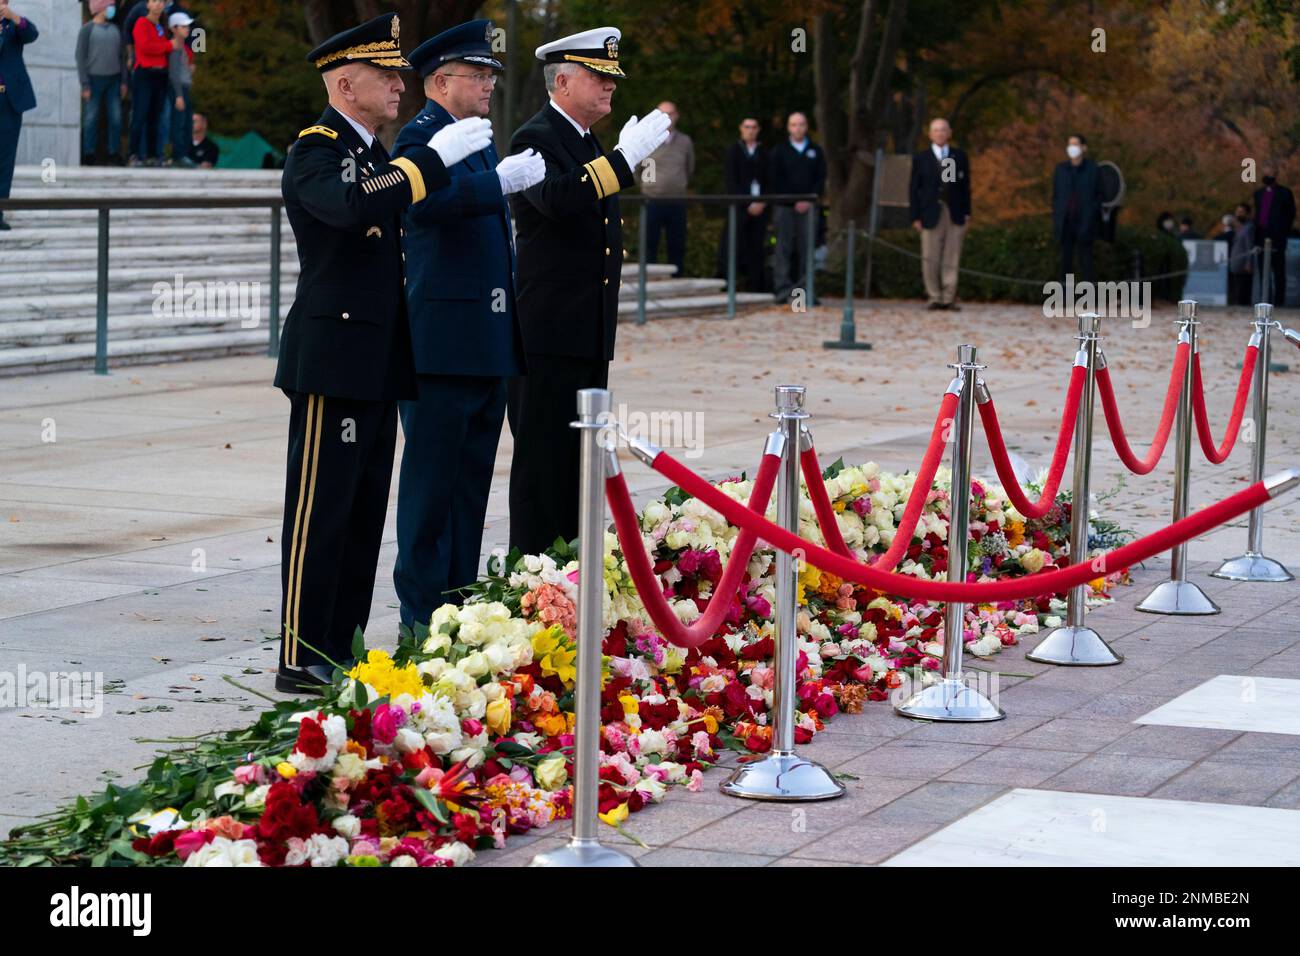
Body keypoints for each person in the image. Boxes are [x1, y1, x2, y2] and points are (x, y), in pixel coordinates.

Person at [273, 12, 492, 693]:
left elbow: (390, 198)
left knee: (363, 512)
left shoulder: (371, 153)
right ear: (345, 82)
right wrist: (429, 160)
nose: (399, 85)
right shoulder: (317, 149)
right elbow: (348, 206)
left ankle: (339, 645)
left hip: (375, 356)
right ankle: (299, 654)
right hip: (331, 354)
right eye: (383, 74)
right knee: (321, 511)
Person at [390, 19, 544, 632]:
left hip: (483, 343)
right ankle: (420, 615)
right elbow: (421, 204)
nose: (488, 84)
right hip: (441, 343)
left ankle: (454, 608)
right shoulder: (421, 133)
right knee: (431, 489)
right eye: (478, 75)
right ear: (440, 81)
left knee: (469, 487)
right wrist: (494, 183)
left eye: (490, 75)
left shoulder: (472, 133)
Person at [506, 27, 669, 555]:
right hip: (548, 330)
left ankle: (571, 574)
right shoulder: (535, 136)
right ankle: (532, 575)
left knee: (577, 467)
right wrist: (623, 161)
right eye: (598, 77)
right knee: (543, 466)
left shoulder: (582, 139)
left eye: (611, 79)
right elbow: (556, 199)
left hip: (584, 330)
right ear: (562, 80)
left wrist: (614, 157)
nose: (609, 88)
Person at [908, 116, 971, 311]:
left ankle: (948, 296)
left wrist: (967, 212)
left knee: (951, 255)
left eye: (943, 129)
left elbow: (964, 186)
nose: (940, 133)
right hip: (929, 212)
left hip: (954, 211)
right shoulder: (921, 158)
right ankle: (934, 295)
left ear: (949, 133)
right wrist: (915, 215)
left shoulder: (958, 157)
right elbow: (913, 189)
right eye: (936, 130)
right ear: (930, 134)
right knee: (930, 255)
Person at [768, 111, 826, 304]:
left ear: (806, 126)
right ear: (788, 127)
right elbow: (775, 178)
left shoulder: (815, 151)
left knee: (807, 249)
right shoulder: (779, 151)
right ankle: (784, 290)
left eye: (801, 124)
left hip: (809, 208)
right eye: (793, 125)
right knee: (783, 248)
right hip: (785, 207)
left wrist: (808, 200)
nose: (797, 128)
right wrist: (793, 200)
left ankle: (803, 293)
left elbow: (820, 178)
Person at [638, 100, 693, 276]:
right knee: (649, 244)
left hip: (677, 201)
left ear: (676, 116)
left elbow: (689, 167)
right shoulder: (647, 140)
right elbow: (638, 168)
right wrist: (650, 185)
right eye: (663, 113)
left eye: (670, 113)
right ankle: (648, 285)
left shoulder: (685, 141)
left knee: (677, 245)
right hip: (651, 200)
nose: (667, 118)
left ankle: (676, 283)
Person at [719, 116, 768, 292]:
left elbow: (769, 180)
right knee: (733, 246)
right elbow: (730, 181)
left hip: (760, 208)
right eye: (747, 126)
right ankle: (728, 285)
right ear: (741, 128)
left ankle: (756, 286)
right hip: (739, 208)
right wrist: (746, 203)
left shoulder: (763, 153)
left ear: (758, 129)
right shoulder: (734, 151)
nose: (750, 130)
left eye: (754, 127)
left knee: (756, 248)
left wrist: (762, 202)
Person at [0, 0, 36, 232]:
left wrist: (13, 17)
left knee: (5, 157)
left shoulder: (14, 26)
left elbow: (32, 33)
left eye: (5, 0)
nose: (2, 4)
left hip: (8, 101)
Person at [128, 0, 178, 166]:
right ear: (148, 5)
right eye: (154, 1)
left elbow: (175, 46)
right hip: (145, 73)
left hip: (160, 74)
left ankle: (152, 155)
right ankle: (133, 154)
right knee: (140, 115)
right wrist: (168, 46)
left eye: (161, 2)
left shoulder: (162, 26)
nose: (158, 4)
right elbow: (145, 47)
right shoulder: (141, 23)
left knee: (155, 117)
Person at [77, 0, 127, 166]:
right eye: (108, 6)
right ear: (99, 8)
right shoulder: (87, 30)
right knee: (91, 118)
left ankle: (114, 153)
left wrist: (123, 81)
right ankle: (88, 153)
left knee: (116, 118)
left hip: (114, 80)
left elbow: (122, 57)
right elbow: (81, 57)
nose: (111, 9)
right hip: (93, 80)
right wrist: (84, 84)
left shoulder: (115, 30)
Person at [1051, 133, 1103, 287]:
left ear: (1083, 147)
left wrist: (1091, 215)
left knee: (1086, 260)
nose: (1072, 148)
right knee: (1065, 261)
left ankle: (1087, 296)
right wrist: (1057, 214)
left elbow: (1099, 196)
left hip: (1085, 221)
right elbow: (1056, 195)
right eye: (1070, 144)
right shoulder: (1061, 169)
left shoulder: (1093, 169)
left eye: (1075, 144)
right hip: (1066, 221)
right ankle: (1065, 296)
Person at [1254, 163, 1296, 306]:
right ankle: (1265, 300)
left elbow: (1290, 214)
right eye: (1265, 173)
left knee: (1278, 270)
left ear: (1276, 174)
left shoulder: (1285, 193)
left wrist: (1282, 232)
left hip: (1278, 237)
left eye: (1269, 173)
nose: (1267, 176)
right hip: (1261, 236)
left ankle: (1279, 301)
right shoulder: (1258, 194)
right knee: (1263, 271)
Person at [165, 11, 194, 166]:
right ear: (174, 28)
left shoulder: (183, 47)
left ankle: (183, 154)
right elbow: (173, 73)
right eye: (183, 26)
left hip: (184, 87)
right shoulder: (175, 47)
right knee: (179, 122)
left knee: (186, 122)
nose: (187, 29)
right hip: (178, 89)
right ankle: (178, 155)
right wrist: (178, 95)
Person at [1229, 203, 1255, 306]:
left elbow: (1250, 246)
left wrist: (1249, 262)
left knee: (1243, 292)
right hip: (1236, 264)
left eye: (1241, 212)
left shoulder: (1249, 228)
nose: (1238, 214)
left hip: (1243, 266)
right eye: (1237, 212)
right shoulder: (1240, 228)